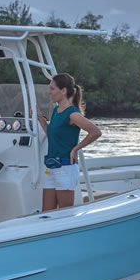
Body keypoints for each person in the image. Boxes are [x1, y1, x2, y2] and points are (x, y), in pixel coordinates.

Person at [36, 73, 102, 211]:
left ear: (64, 91)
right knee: (46, 212)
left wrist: (76, 149)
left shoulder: (72, 113)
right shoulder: (56, 111)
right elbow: (52, 136)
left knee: (64, 214)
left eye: (52, 89)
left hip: (65, 168)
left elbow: (95, 132)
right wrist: (40, 118)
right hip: (52, 166)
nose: (49, 92)